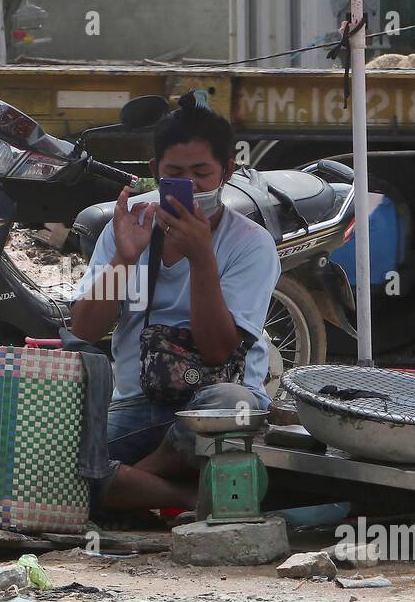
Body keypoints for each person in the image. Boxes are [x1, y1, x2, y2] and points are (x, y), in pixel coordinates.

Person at [69, 101, 279, 515]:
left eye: (202, 174)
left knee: (229, 401)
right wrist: (125, 258)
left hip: (216, 409)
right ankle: (188, 499)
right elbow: (85, 329)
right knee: (50, 465)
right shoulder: (128, 225)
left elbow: (220, 350)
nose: (190, 186)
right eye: (175, 175)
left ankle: (126, 483)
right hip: (136, 405)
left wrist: (203, 258)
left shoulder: (251, 243)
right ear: (154, 169)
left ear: (228, 172)